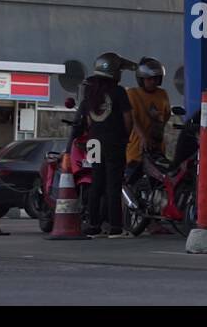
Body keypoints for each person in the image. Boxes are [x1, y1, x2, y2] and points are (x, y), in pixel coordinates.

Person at [70, 52, 135, 239]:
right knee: (113, 184)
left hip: (94, 142)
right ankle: (115, 227)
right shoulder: (119, 92)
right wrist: (125, 136)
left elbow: (89, 120)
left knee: (96, 182)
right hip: (114, 141)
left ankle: (93, 225)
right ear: (114, 72)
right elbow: (128, 118)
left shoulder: (90, 91)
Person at [125, 57, 172, 234]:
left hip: (157, 148)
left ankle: (154, 222)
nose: (152, 82)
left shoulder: (163, 95)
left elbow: (165, 117)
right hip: (136, 148)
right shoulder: (132, 94)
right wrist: (142, 136)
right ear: (141, 79)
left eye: (155, 78)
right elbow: (132, 118)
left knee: (157, 186)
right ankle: (126, 219)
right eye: (149, 78)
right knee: (131, 183)